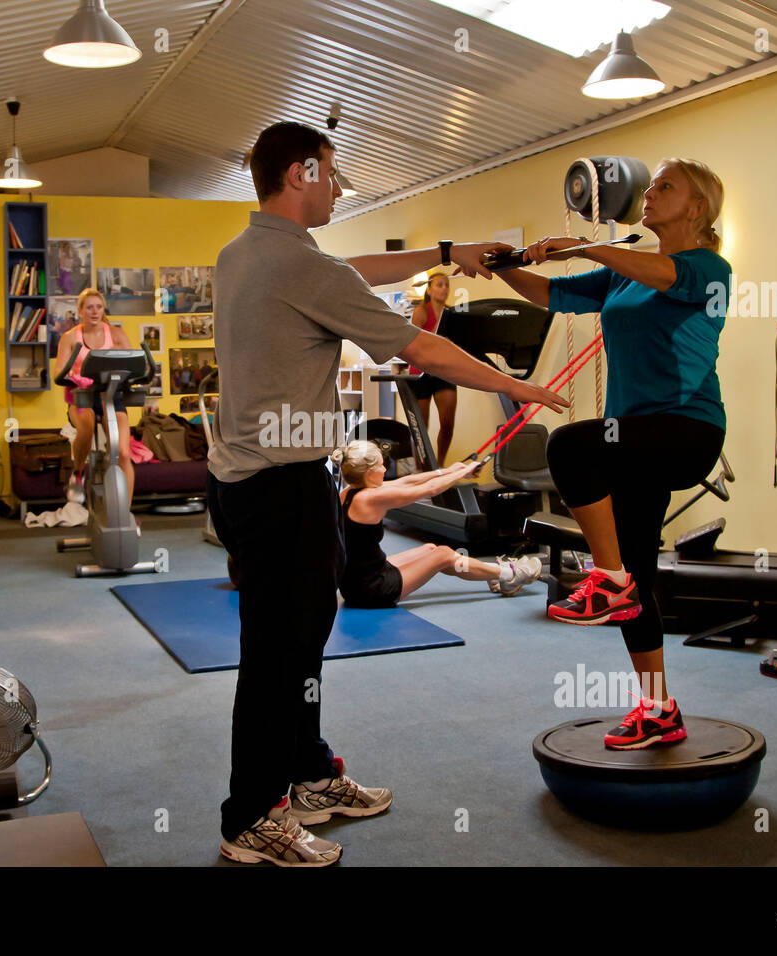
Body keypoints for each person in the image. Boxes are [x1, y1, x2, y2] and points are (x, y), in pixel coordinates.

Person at [207, 120, 568, 866]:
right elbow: (421, 347)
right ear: (302, 172)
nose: (340, 186)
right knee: (277, 656)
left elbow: (347, 267)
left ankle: (306, 773)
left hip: (252, 485)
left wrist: (445, 257)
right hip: (281, 491)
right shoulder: (303, 268)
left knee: (299, 643)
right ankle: (250, 818)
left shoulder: (245, 252)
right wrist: (513, 383)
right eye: (333, 173)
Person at [495, 158, 729, 751]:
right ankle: (658, 708)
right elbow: (549, 295)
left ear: (697, 208)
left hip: (684, 431)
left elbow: (660, 274)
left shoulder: (708, 268)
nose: (649, 193)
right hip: (633, 441)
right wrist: (501, 267)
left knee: (569, 444)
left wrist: (584, 246)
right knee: (641, 582)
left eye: (665, 186)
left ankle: (608, 577)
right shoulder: (626, 274)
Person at [332, 440, 541, 607]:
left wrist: (447, 471)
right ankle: (510, 575)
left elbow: (406, 481)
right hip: (373, 589)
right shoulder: (371, 498)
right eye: (380, 465)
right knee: (443, 555)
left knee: (430, 549)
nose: (385, 468)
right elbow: (430, 490)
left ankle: (492, 574)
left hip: (355, 582)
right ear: (369, 473)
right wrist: (463, 473)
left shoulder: (349, 493)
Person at [54, 288, 136, 509]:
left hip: (110, 397)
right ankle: (79, 472)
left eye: (98, 307)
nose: (94, 311)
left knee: (123, 453)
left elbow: (130, 364)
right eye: (89, 307)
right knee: (87, 427)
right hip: (80, 398)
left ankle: (125, 513)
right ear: (80, 310)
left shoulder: (116, 334)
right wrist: (74, 377)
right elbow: (58, 372)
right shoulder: (70, 337)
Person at [408, 272, 459, 464]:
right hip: (421, 371)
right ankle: (420, 468)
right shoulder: (421, 312)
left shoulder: (452, 313)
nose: (444, 288)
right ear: (429, 289)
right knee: (421, 426)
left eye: (446, 285)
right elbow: (418, 341)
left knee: (447, 423)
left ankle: (440, 464)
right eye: (439, 285)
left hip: (444, 371)